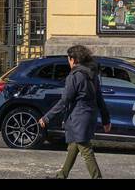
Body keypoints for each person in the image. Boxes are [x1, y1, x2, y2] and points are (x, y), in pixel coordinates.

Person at [38, 45, 112, 179]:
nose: (68, 61)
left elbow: (65, 100)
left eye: (68, 59)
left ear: (73, 60)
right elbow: (100, 98)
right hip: (89, 115)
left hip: (78, 117)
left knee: (85, 149)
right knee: (73, 146)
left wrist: (47, 117)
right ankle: (62, 175)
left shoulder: (74, 76)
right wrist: (106, 119)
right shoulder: (92, 74)